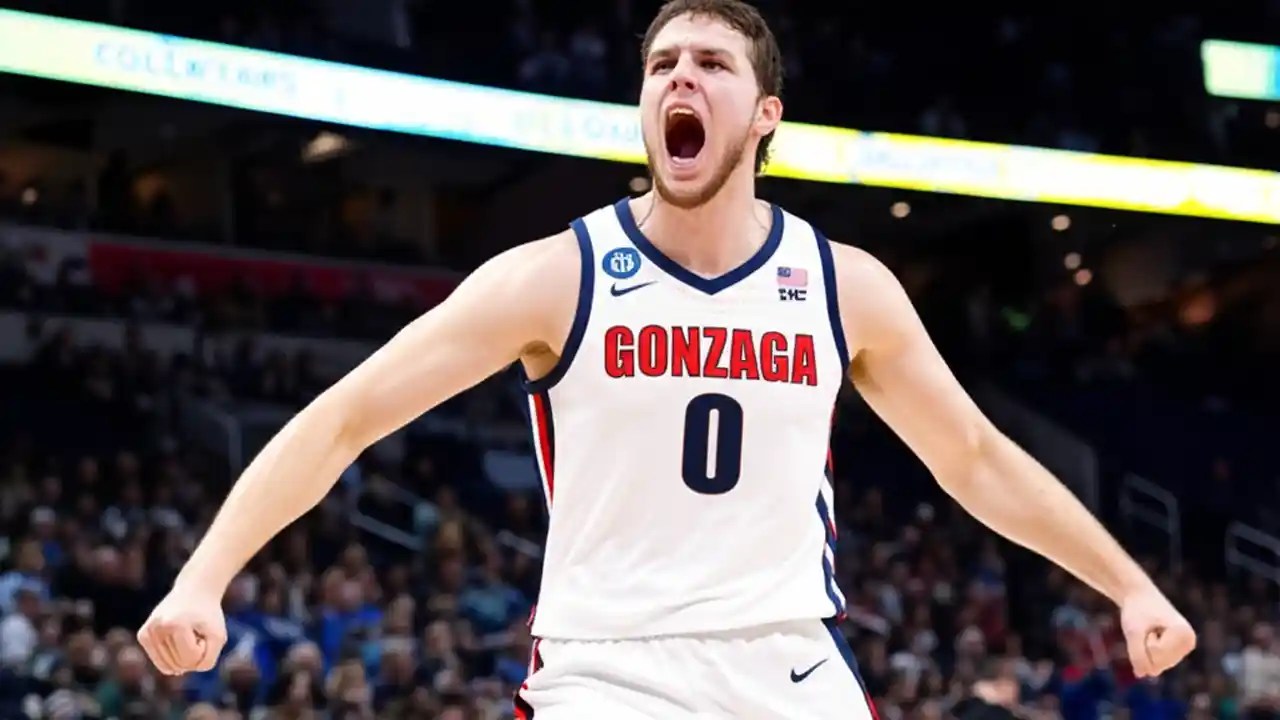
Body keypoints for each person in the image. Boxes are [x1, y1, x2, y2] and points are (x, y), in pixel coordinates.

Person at [136, 1, 1197, 717]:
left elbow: (971, 458)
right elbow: (346, 417)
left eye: (708, 64)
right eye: (659, 67)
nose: (677, 80)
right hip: (609, 671)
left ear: (763, 113)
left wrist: (1127, 584)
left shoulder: (842, 284)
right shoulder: (556, 274)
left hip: (787, 660)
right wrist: (203, 576)